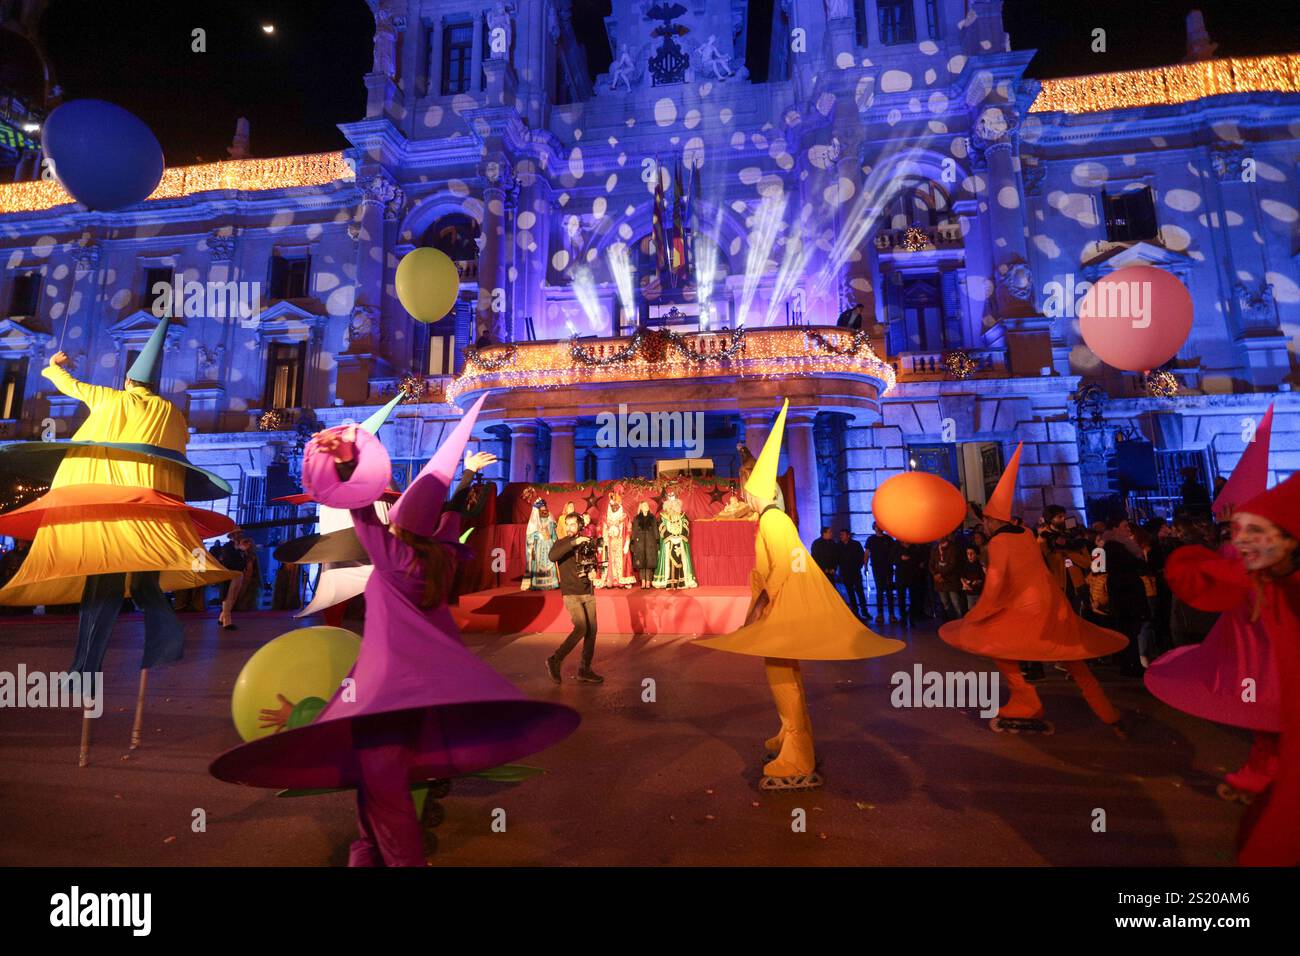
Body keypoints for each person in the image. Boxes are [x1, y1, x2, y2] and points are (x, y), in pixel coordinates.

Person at [210, 395, 579, 867]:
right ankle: (364, 857)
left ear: (400, 526)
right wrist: (465, 476)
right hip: (419, 703)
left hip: (384, 703)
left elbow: (362, 511)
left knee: (387, 805)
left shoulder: (396, 561)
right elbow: (453, 519)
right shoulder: (440, 559)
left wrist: (345, 463)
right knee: (375, 800)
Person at [0, 318, 236, 762]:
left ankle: (85, 670)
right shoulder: (173, 413)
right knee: (146, 586)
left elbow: (70, 385)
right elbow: (179, 450)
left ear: (129, 380)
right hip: (153, 517)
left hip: (109, 513)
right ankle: (165, 642)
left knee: (101, 589)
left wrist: (54, 365)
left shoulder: (112, 398)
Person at [695, 400, 904, 790]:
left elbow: (775, 572)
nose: (744, 498)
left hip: (783, 611)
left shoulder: (772, 521)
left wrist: (758, 611)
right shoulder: (776, 519)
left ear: (757, 495)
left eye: (746, 492)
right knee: (783, 672)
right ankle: (789, 734)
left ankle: (797, 750)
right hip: (783, 607)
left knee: (781, 675)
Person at [939, 444, 1130, 736]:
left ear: (992, 520)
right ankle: (1110, 715)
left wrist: (978, 613)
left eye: (985, 521)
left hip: (1024, 612)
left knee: (998, 650)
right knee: (1075, 663)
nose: (984, 526)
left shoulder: (1000, 542)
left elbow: (998, 581)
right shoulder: (1027, 535)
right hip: (1054, 607)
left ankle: (1026, 700)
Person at [545, 513, 604, 684]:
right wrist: (573, 543)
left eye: (573, 524)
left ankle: (584, 670)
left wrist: (593, 572)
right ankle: (555, 660)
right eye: (568, 524)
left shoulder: (586, 542)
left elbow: (592, 562)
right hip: (571, 593)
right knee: (581, 628)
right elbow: (552, 557)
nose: (570, 527)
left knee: (592, 631)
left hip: (588, 591)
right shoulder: (562, 543)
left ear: (579, 525)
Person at [653, 493, 697, 588]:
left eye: (674, 504)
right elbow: (661, 527)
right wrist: (669, 536)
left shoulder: (683, 516)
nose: (672, 506)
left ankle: (681, 582)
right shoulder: (663, 516)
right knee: (668, 562)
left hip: (680, 541)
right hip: (668, 542)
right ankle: (669, 582)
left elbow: (685, 526)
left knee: (682, 561)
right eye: (670, 504)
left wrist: (680, 536)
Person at [597, 488, 636, 588]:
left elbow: (629, 529)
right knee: (608, 560)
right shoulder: (605, 517)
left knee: (621, 561)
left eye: (616, 505)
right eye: (612, 505)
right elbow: (600, 530)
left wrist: (627, 542)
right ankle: (608, 580)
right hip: (608, 544)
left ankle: (621, 580)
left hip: (620, 543)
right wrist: (600, 545)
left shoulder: (624, 517)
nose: (614, 507)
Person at [521, 500, 558, 590]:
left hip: (549, 544)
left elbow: (553, 534)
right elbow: (530, 536)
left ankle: (551, 583)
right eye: (541, 507)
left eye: (544, 507)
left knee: (550, 563)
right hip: (539, 546)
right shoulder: (534, 521)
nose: (543, 509)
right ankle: (538, 583)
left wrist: (553, 541)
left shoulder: (550, 519)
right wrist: (538, 535)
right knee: (538, 563)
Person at [865, 523, 898, 623]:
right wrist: (865, 566)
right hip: (877, 568)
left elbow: (894, 552)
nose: (878, 529)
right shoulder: (871, 539)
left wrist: (895, 565)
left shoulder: (888, 539)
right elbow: (867, 552)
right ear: (874, 528)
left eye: (879, 527)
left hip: (888, 568)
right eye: (876, 527)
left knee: (889, 591)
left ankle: (891, 615)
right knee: (879, 591)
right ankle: (880, 614)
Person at [929, 534, 965, 620]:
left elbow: (952, 564)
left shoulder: (953, 548)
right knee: (945, 603)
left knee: (956, 603)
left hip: (951, 580)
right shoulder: (935, 548)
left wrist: (940, 574)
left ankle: (960, 621)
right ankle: (949, 620)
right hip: (939, 582)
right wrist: (935, 574)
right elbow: (931, 563)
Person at [836, 528, 867, 620]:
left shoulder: (856, 544)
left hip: (855, 571)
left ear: (848, 535)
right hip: (845, 572)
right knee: (850, 592)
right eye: (840, 535)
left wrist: (859, 567)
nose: (841, 536)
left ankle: (864, 610)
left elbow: (861, 556)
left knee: (860, 591)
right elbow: (837, 558)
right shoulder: (839, 546)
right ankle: (855, 610)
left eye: (843, 534)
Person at [630, 500, 659, 588]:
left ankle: (648, 581)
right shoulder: (637, 518)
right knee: (641, 563)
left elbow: (655, 531)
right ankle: (643, 581)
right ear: (641, 508)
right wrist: (633, 543)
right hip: (640, 543)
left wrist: (657, 543)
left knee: (649, 563)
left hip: (650, 543)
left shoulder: (652, 518)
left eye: (647, 505)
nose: (646, 506)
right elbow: (634, 532)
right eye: (644, 505)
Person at [959, 544, 986, 610]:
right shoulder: (966, 565)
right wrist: (964, 583)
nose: (969, 556)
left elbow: (984, 578)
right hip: (970, 593)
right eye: (968, 553)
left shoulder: (980, 565)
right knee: (971, 610)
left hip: (980, 592)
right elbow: (962, 576)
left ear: (977, 554)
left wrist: (977, 582)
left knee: (980, 609)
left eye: (972, 553)